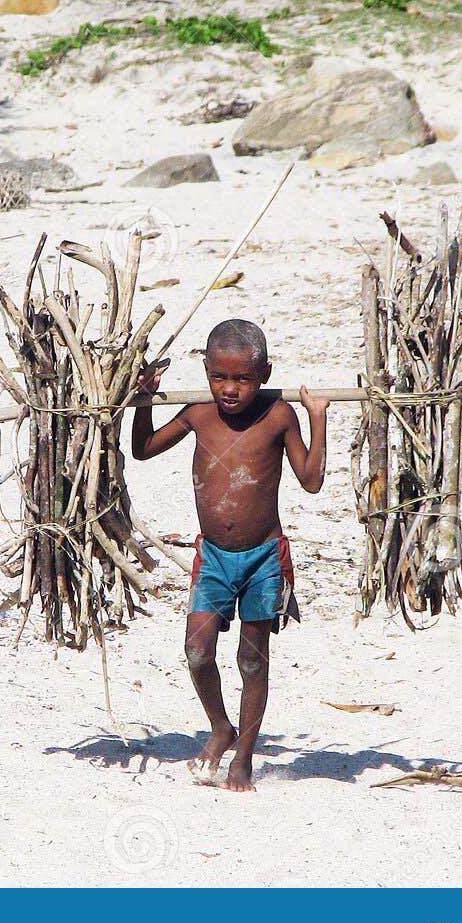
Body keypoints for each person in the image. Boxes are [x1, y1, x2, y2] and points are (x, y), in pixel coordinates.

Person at [131, 319, 329, 791]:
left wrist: (317, 417)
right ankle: (221, 726)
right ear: (206, 372)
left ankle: (244, 755)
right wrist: (142, 403)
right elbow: (142, 449)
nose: (231, 389)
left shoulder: (279, 415)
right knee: (197, 650)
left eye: (243, 378)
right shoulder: (198, 414)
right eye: (219, 377)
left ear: (264, 373)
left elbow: (312, 480)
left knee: (252, 660)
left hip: (263, 557)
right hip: (214, 557)